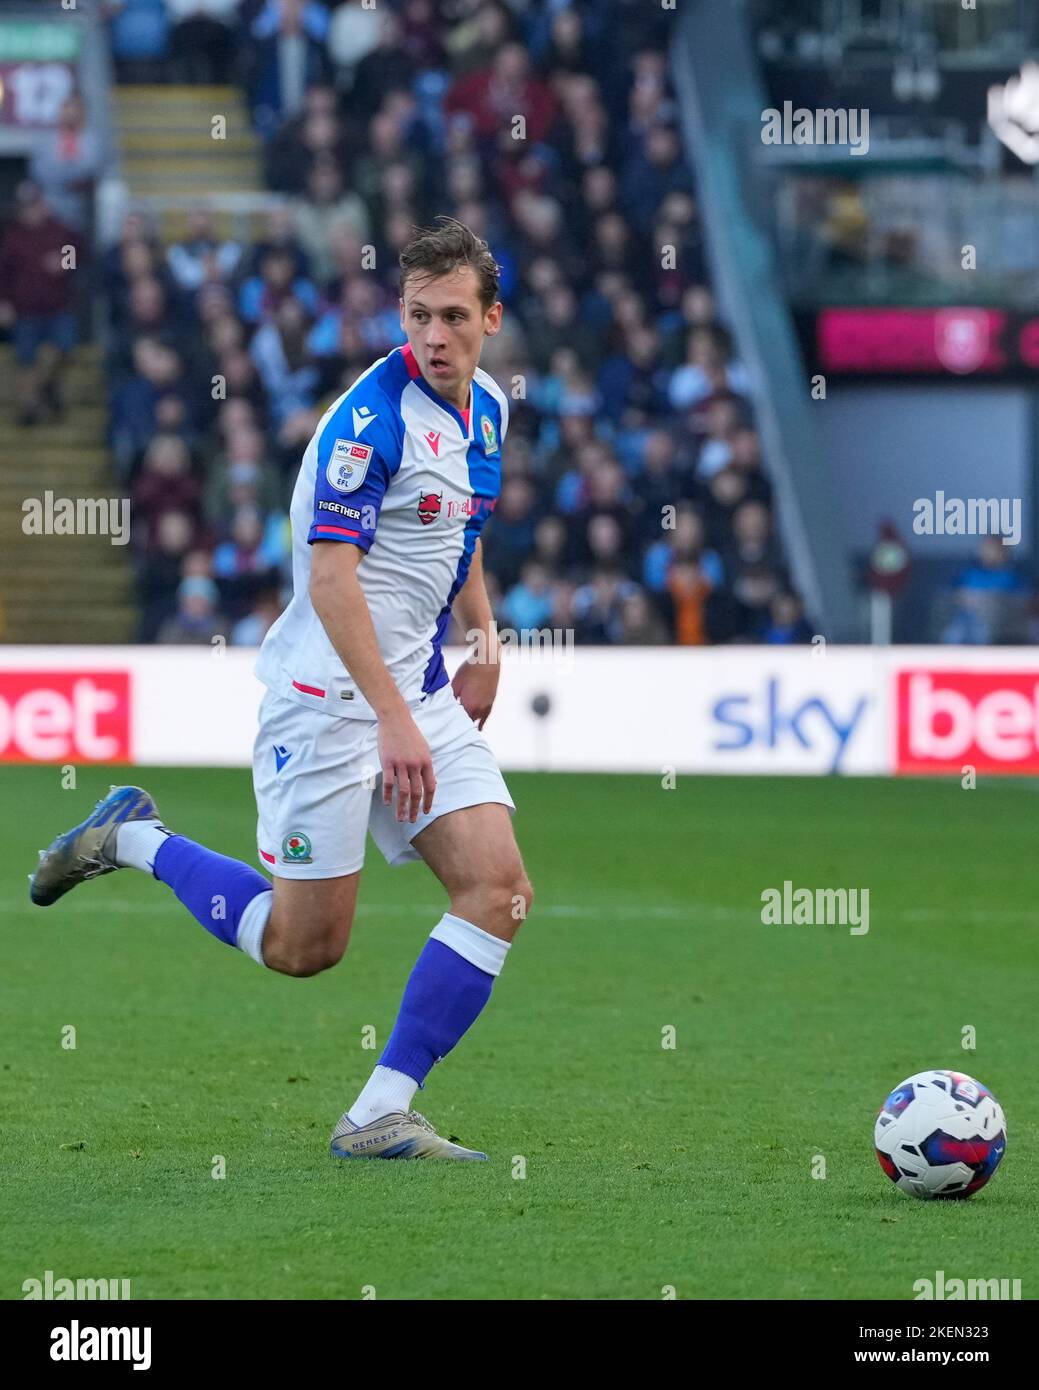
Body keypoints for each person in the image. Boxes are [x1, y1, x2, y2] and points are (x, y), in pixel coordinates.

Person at [29, 218, 533, 1163]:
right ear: (400, 314)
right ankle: (132, 836)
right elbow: (332, 581)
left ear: (490, 319)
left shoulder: (489, 410)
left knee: (498, 889)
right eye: (418, 315)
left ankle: (379, 1112)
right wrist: (390, 721)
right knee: (304, 948)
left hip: (414, 693)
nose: (434, 336)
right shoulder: (367, 426)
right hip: (327, 703)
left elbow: (455, 535)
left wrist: (486, 640)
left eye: (454, 316)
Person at [0, 182, 82, 425]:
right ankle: (28, 406)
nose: (30, 212)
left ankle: (50, 385)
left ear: (42, 204)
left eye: (34, 205)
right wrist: (3, 302)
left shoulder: (60, 231)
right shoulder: (13, 237)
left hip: (58, 307)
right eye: (25, 207)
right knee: (26, 359)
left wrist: (63, 264)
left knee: (66, 349)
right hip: (26, 310)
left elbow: (77, 253)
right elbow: (3, 274)